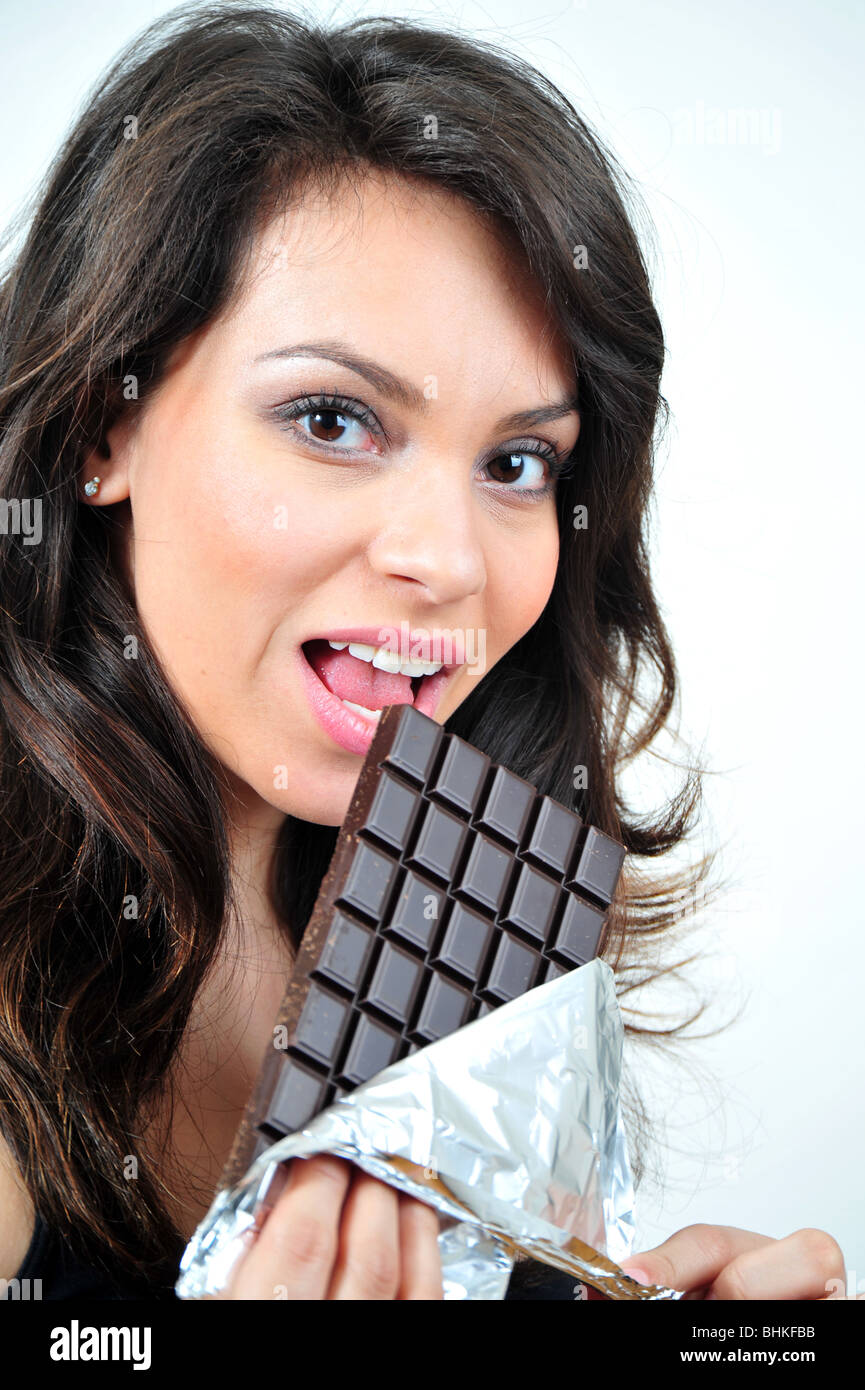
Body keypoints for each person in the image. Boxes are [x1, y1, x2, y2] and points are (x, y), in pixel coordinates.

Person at [0, 3, 846, 1301]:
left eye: (516, 461)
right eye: (333, 418)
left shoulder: (476, 946)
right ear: (100, 423)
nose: (448, 558)